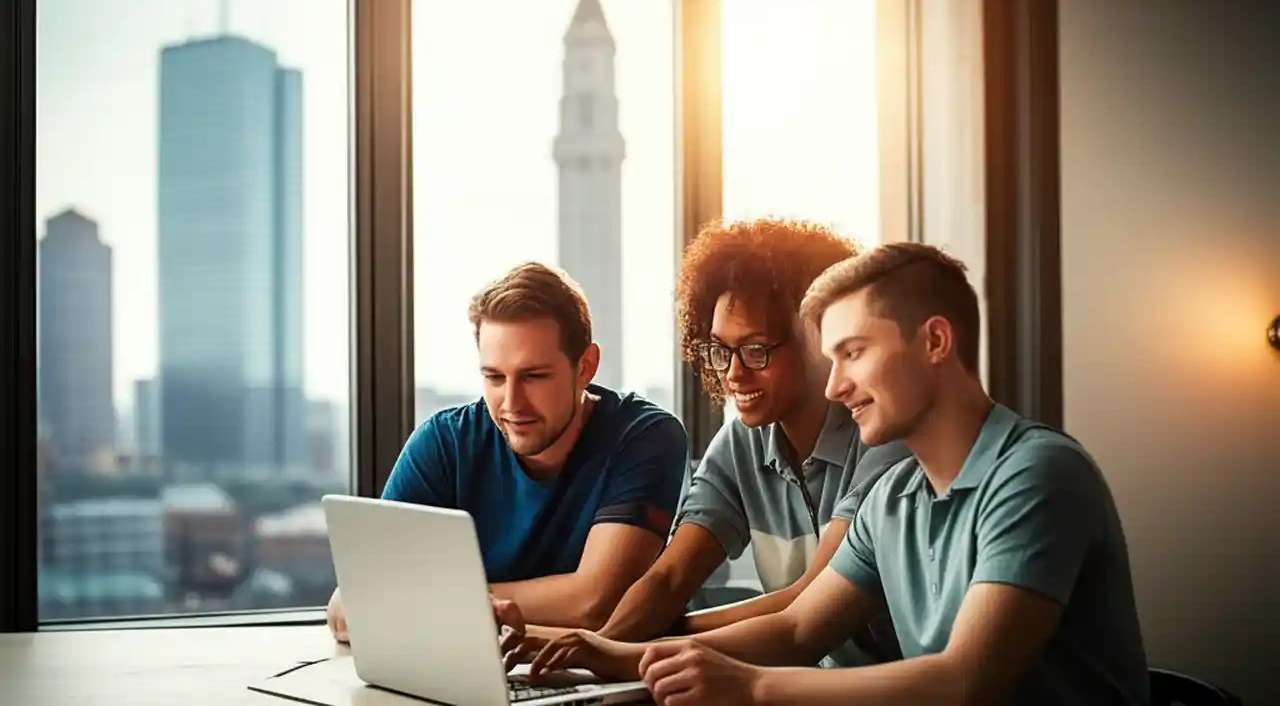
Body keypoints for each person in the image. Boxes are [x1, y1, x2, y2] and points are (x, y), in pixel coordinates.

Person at [525, 243, 1150, 705]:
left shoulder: (1036, 474)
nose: (834, 385)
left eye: (853, 353)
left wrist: (752, 687)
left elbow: (966, 681)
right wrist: (612, 654)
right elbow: (797, 629)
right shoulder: (894, 499)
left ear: (935, 342)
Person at [501, 219, 908, 668]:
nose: (733, 373)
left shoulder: (882, 435)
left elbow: (805, 605)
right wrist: (599, 650)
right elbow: (670, 578)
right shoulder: (742, 442)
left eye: (757, 350)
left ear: (820, 337)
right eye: (720, 350)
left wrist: (630, 647)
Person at [326, 262, 688, 643]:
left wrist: (424, 603)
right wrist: (378, 602)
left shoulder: (645, 437)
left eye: (534, 376)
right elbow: (351, 605)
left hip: (616, 681)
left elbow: (597, 603)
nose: (511, 403)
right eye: (494, 377)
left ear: (586, 367)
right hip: (473, 668)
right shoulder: (444, 444)